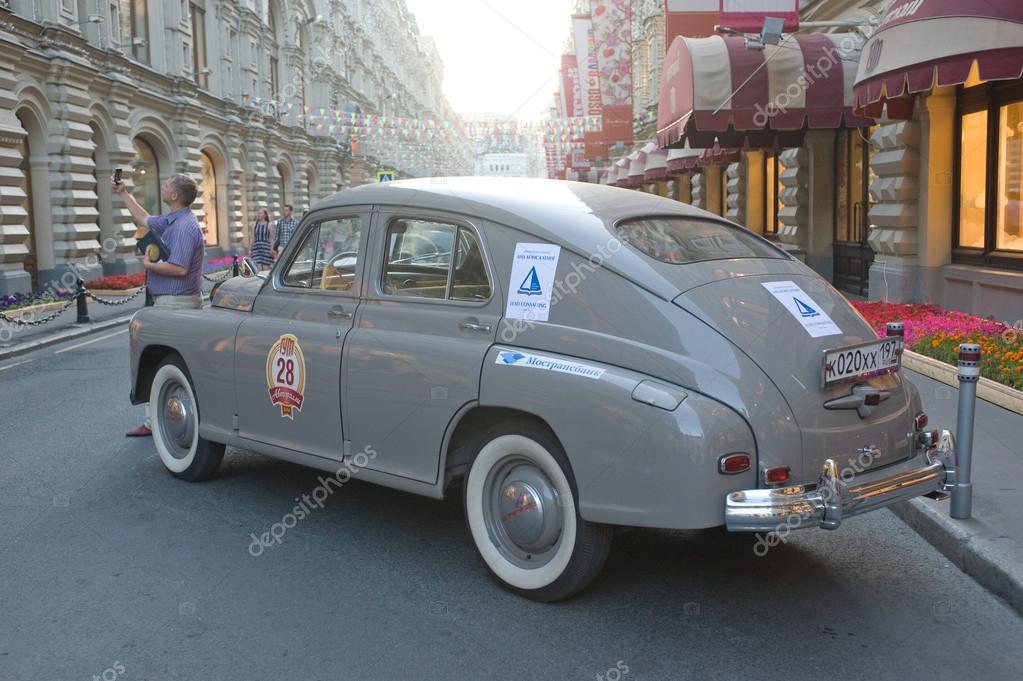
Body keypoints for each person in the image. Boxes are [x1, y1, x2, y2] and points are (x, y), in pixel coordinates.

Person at [113, 173, 206, 437]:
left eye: (166, 186)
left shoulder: (186, 226)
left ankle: (164, 421)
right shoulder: (172, 220)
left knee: (169, 363)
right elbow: (143, 218)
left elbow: (179, 268)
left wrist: (150, 265)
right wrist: (123, 192)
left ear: (175, 196)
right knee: (161, 361)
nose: (163, 187)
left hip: (178, 304)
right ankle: (155, 420)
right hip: (169, 303)